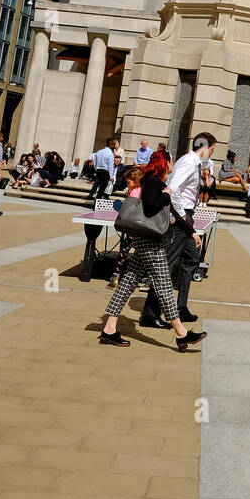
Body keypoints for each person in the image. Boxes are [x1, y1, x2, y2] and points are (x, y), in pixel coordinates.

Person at [98, 149, 207, 352]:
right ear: (164, 163)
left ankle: (109, 328)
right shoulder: (152, 182)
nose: (172, 165)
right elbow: (150, 207)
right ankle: (181, 333)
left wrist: (191, 232)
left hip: (147, 239)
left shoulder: (157, 182)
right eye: (170, 161)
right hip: (148, 241)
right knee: (164, 284)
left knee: (128, 282)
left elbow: (173, 211)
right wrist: (166, 196)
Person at [141, 133, 216, 329]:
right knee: (166, 263)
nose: (212, 153)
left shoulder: (194, 163)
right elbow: (172, 190)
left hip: (188, 216)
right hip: (182, 218)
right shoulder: (188, 162)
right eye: (212, 149)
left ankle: (180, 307)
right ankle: (150, 312)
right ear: (205, 147)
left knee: (192, 258)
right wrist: (183, 216)